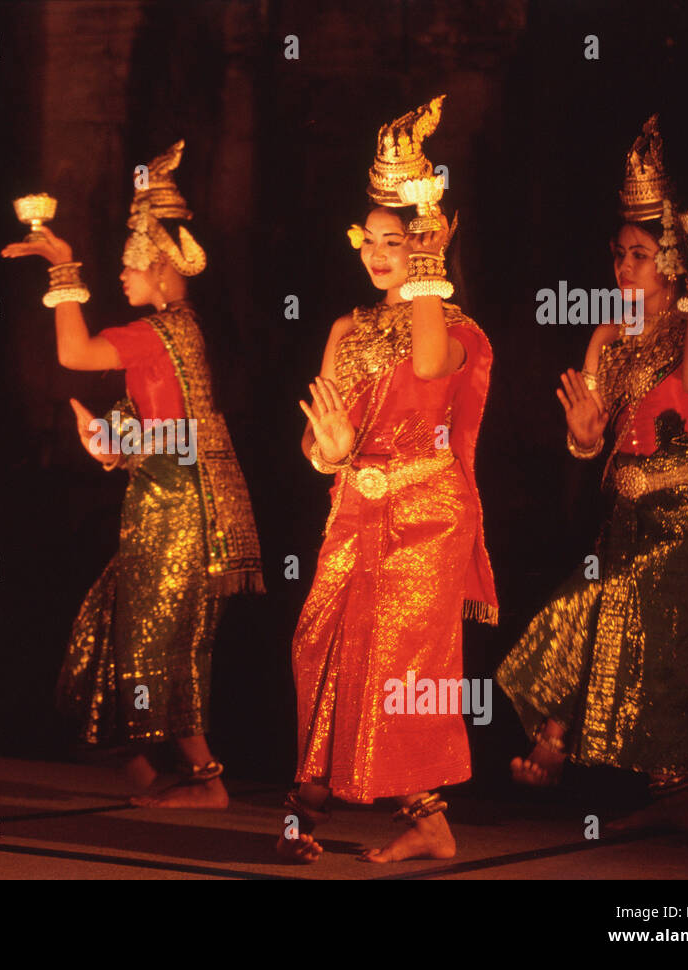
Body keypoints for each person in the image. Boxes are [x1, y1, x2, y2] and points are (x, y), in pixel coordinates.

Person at [496, 116, 688, 833]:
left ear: (670, 262)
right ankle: (660, 794)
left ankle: (573, 747)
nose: (623, 269)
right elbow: (591, 434)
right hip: (625, 514)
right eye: (618, 254)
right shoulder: (607, 334)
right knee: (579, 609)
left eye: (639, 255)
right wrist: (582, 439)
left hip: (686, 514)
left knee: (650, 637)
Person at [2, 141, 263, 809]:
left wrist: (64, 267)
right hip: (161, 499)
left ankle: (206, 782)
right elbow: (157, 421)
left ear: (160, 269)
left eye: (127, 267)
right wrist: (113, 440)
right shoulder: (176, 335)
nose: (120, 277)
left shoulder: (162, 332)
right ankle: (149, 780)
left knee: (160, 640)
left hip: (177, 508)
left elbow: (73, 349)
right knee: (116, 626)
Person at [279, 96, 497, 863]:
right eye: (370, 240)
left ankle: (424, 814)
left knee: (402, 663)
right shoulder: (347, 328)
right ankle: (309, 805)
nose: (377, 253)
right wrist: (330, 451)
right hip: (354, 509)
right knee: (320, 645)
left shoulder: (458, 330)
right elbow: (317, 442)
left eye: (395, 241)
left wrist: (433, 260)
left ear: (426, 246)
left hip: (428, 514)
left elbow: (431, 365)